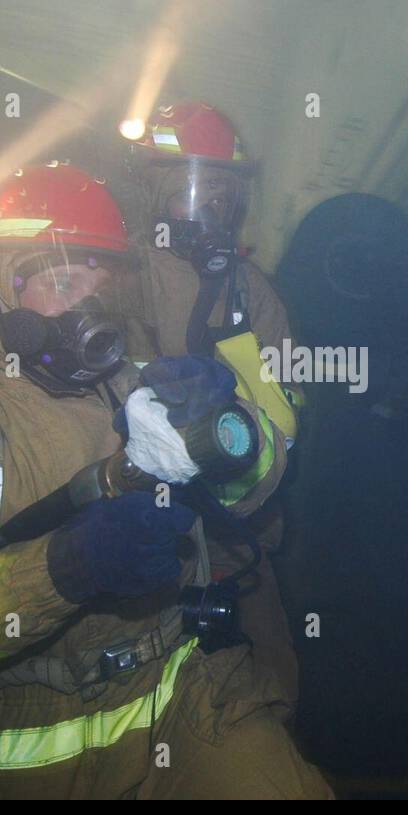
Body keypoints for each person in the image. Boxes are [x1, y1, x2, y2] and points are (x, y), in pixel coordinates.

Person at [0, 162, 331, 798]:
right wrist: (60, 569)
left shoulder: (140, 387)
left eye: (101, 285)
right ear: (0, 292)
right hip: (30, 742)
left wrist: (231, 437)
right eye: (62, 280)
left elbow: (250, 496)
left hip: (188, 694)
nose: (87, 306)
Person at [127, 101, 305, 712]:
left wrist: (239, 410)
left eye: (219, 196)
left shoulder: (249, 286)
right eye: (185, 192)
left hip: (236, 529)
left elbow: (285, 401)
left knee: (265, 686)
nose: (204, 210)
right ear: (153, 194)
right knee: (151, 697)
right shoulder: (118, 273)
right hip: (145, 538)